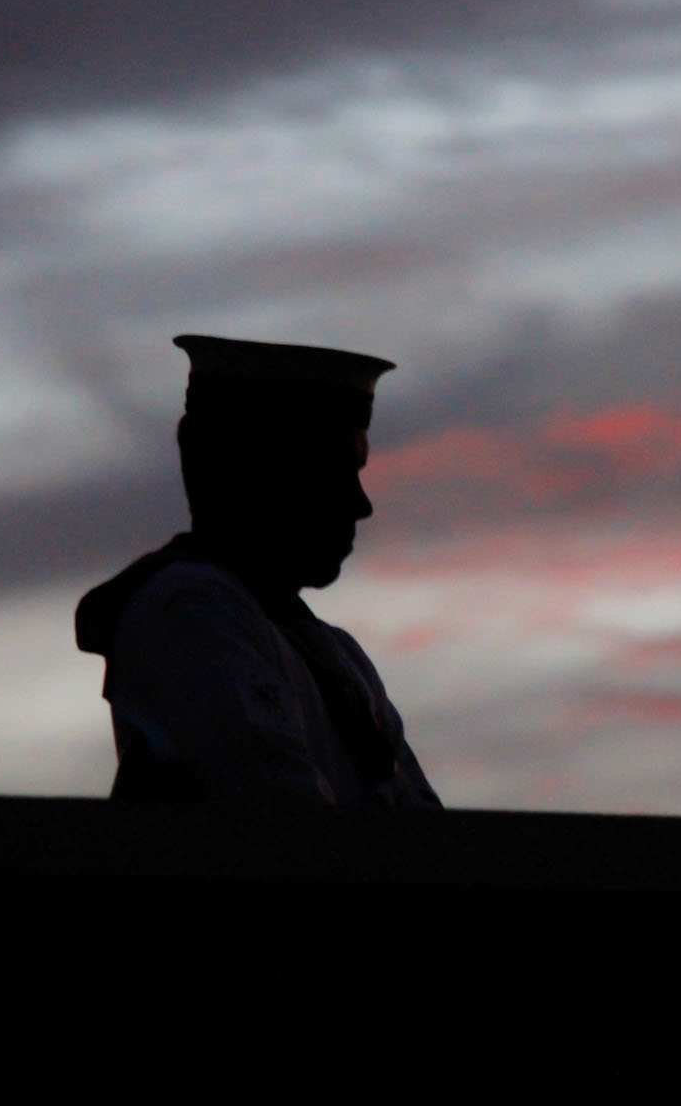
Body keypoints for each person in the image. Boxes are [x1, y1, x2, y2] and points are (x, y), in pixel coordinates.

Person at [74, 334, 442, 810]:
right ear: (254, 475)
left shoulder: (332, 653)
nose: (360, 503)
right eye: (332, 472)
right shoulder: (190, 611)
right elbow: (278, 812)